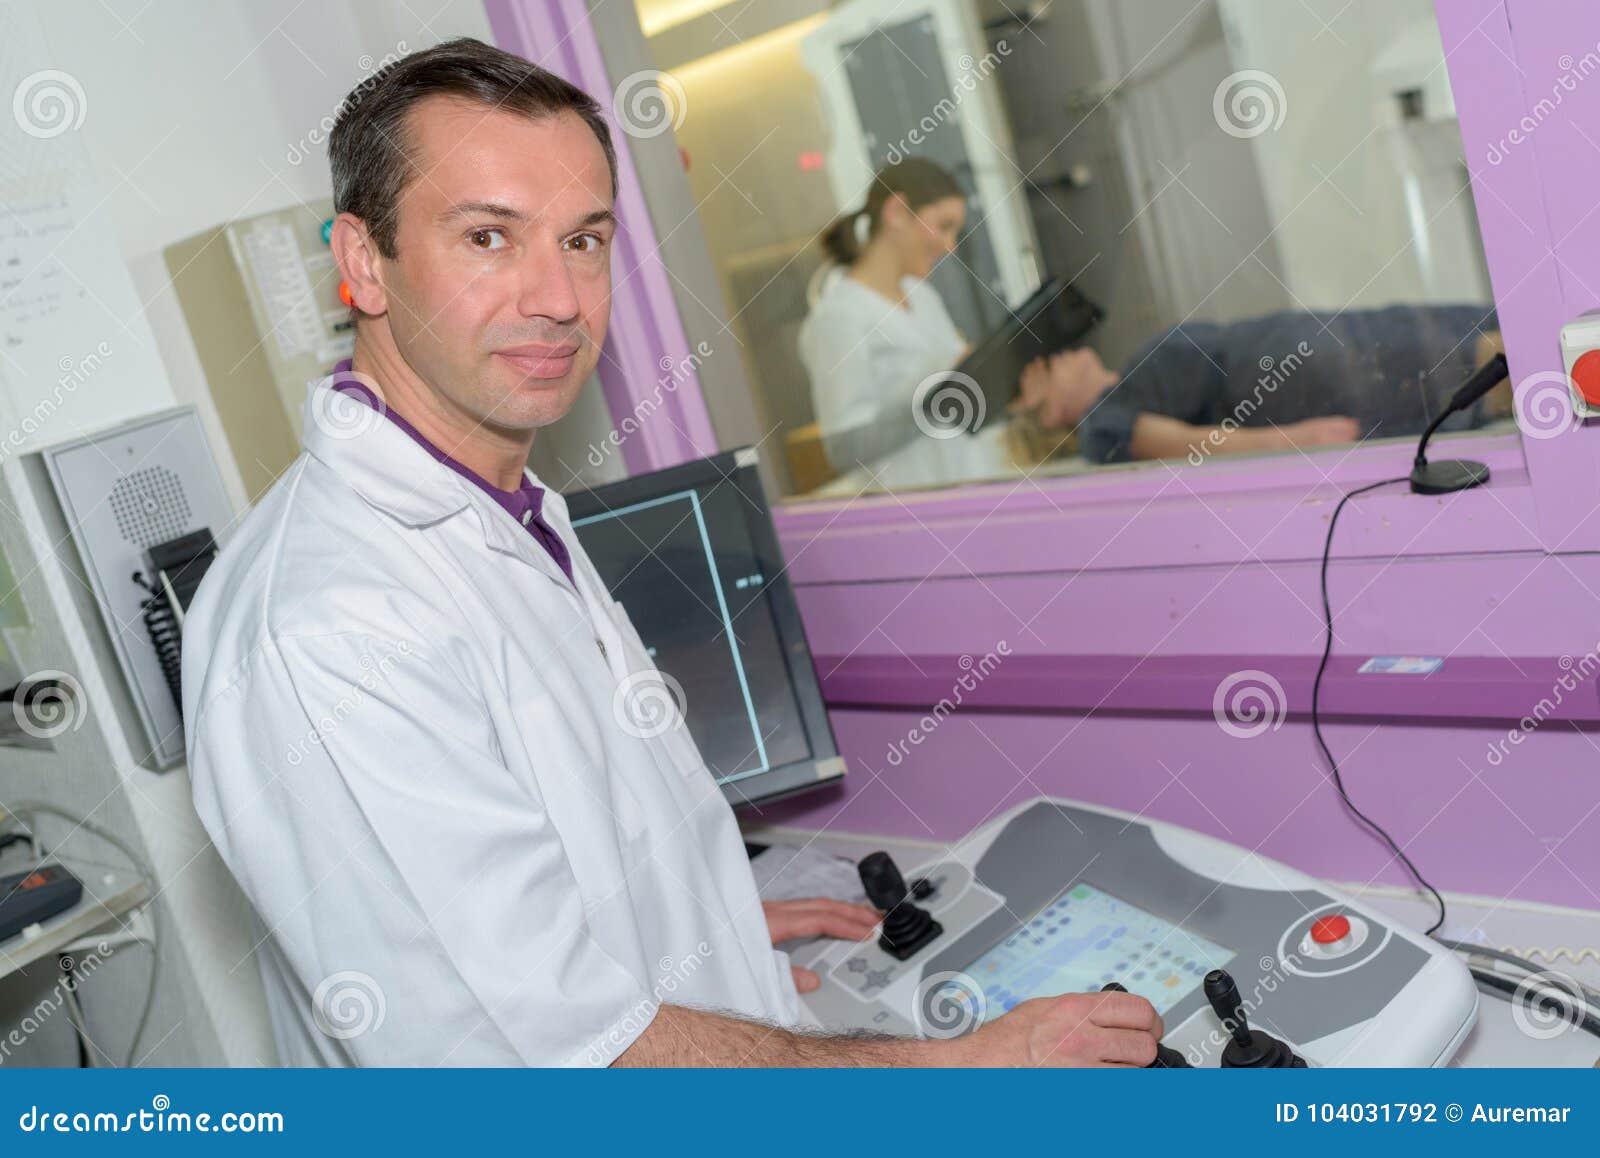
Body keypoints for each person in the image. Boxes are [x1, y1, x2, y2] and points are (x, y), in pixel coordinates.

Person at [182, 39, 1162, 1067]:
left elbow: (534, 875)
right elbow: (558, 1063)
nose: (558, 297)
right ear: (360, 263)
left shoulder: (506, 509)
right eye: (487, 238)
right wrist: (963, 1066)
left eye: (585, 240)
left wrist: (702, 917)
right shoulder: (329, 627)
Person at [797, 159, 1116, 490]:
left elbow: (950, 419)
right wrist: (933, 399)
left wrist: (1001, 402)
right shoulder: (839, 317)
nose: (950, 247)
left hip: (970, 488)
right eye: (944, 225)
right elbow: (844, 449)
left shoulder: (923, 298)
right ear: (897, 211)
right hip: (913, 508)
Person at [1071, 306, 1506, 465]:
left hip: (1354, 342)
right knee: (1500, 362)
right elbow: (1121, 435)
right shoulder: (1104, 415)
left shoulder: (1133, 377)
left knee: (1506, 326)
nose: (1051, 359)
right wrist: (1289, 441)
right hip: (1347, 372)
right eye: (1035, 377)